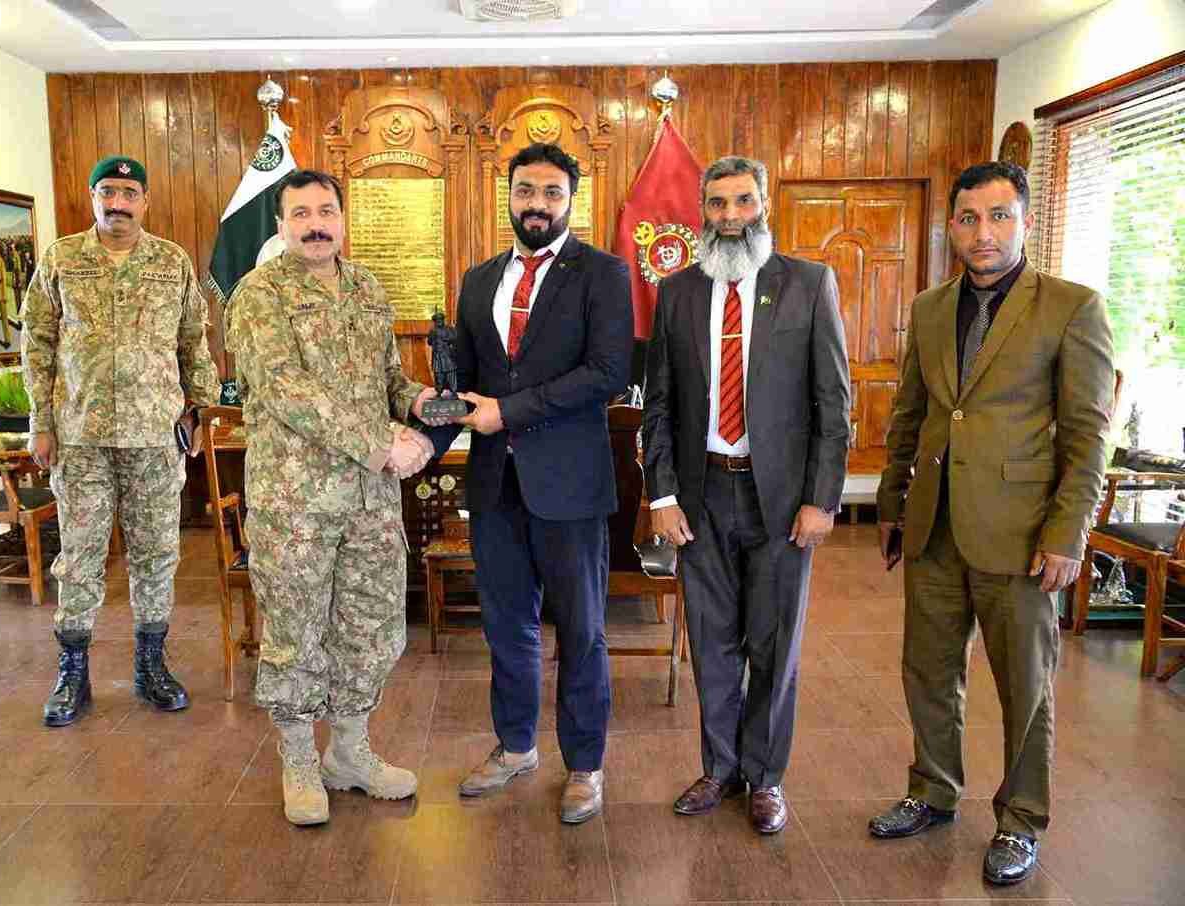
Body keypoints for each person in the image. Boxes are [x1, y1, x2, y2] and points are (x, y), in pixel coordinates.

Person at [871, 161, 1115, 885]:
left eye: (1000, 216)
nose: (985, 233)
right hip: (934, 528)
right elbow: (912, 414)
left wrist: (1068, 535)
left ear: (1027, 222)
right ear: (952, 227)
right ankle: (933, 789)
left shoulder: (1071, 307)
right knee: (928, 669)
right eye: (971, 218)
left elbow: (1088, 434)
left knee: (1025, 685)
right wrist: (890, 503)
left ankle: (1021, 820)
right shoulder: (930, 307)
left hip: (1022, 534)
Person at [639, 155, 850, 834]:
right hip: (700, 498)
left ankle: (765, 778)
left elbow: (832, 403)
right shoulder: (676, 293)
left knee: (775, 643)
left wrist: (823, 499)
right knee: (711, 642)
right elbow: (660, 407)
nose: (730, 216)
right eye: (718, 204)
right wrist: (661, 494)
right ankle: (720, 768)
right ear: (703, 212)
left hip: (783, 503)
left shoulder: (809, 285)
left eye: (742, 202)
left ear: (764, 205)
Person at [425, 142, 632, 825]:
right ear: (507, 197)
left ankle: (584, 764)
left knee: (581, 631)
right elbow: (469, 378)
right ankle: (515, 746)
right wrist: (438, 406)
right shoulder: (479, 278)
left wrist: (506, 412)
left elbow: (606, 372)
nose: (536, 203)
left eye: (549, 191)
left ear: (572, 198)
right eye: (524, 191)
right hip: (495, 486)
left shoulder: (601, 273)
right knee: (506, 628)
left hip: (570, 487)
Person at [225, 168, 440, 826]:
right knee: (294, 637)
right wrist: (383, 447)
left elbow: (386, 381)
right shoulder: (257, 296)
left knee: (370, 630)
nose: (315, 224)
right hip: (295, 506)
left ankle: (348, 752)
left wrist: (421, 403)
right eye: (300, 214)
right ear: (281, 225)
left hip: (369, 506)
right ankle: (298, 761)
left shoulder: (366, 288)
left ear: (343, 219)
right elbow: (290, 393)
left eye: (326, 211)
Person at [22, 155, 221, 728]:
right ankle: (72, 672)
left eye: (129, 193)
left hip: (156, 436)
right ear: (93, 197)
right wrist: (41, 422)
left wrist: (200, 410)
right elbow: (36, 342)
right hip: (80, 436)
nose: (118, 204)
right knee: (80, 556)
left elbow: (193, 340)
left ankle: (150, 666)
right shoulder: (62, 258)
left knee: (157, 552)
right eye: (107, 192)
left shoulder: (170, 261)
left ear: (145, 200)